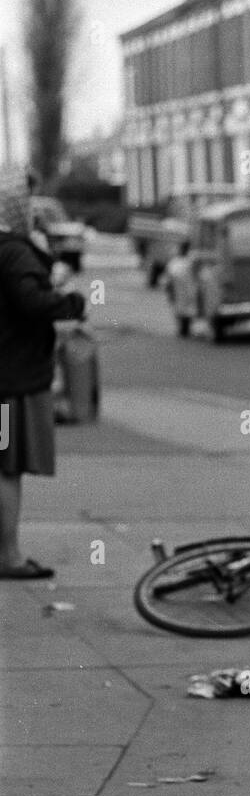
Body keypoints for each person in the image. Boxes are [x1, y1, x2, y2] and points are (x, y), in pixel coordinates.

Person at [0, 170, 86, 579]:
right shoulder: (13, 252)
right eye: (26, 204)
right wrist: (71, 303)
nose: (31, 212)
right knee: (4, 467)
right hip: (9, 385)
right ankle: (8, 557)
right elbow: (32, 302)